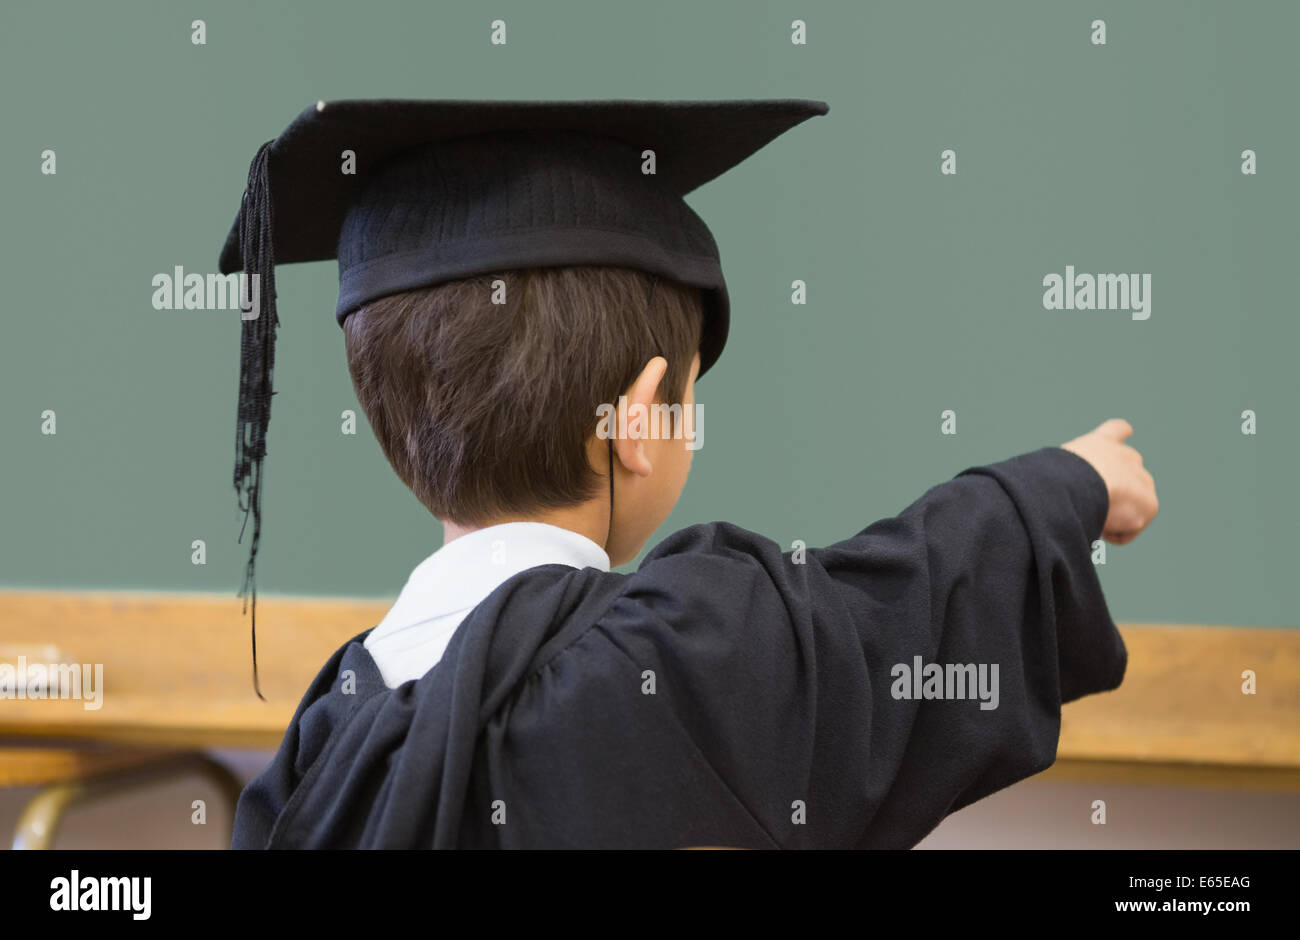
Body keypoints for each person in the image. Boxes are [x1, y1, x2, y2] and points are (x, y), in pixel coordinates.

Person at [224, 98, 1158, 848]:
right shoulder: (687, 655)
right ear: (636, 421)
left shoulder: (324, 742)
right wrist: (1069, 483)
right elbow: (907, 598)